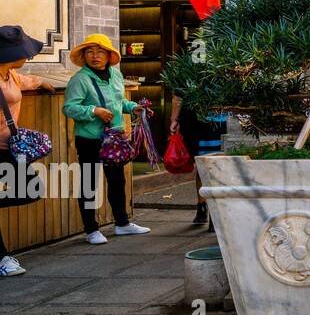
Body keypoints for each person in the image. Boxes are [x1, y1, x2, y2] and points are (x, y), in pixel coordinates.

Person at [63, 34, 150, 243]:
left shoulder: (116, 75)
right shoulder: (80, 79)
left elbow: (118, 103)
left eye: (100, 52)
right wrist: (94, 111)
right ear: (84, 56)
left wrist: (133, 108)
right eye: (90, 52)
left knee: (117, 181)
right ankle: (91, 230)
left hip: (114, 138)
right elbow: (69, 108)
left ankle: (122, 224)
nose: (95, 56)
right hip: (90, 139)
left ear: (109, 55)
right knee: (89, 183)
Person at [0, 26, 56, 277]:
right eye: (26, 53)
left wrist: (41, 81)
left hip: (9, 147)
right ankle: (2, 258)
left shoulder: (9, 74)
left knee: (32, 189)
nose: (29, 57)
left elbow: (26, 80)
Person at [169, 91, 224, 228]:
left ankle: (202, 208)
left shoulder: (186, 70)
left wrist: (174, 119)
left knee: (203, 165)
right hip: (219, 119)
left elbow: (178, 96)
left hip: (196, 120)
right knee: (218, 165)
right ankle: (214, 213)